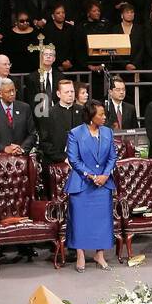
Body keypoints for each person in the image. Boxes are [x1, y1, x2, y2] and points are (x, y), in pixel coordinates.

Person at [64, 99, 117, 272]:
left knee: (102, 220)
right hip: (82, 183)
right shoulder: (75, 133)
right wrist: (91, 175)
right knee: (80, 221)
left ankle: (99, 255)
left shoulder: (108, 132)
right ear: (91, 116)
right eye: (101, 114)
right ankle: (80, 255)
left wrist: (105, 174)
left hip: (103, 183)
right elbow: (74, 159)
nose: (104, 117)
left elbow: (112, 157)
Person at [0, 77, 37, 155]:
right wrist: (5, 148)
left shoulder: (25, 108)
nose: (12, 94)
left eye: (13, 90)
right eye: (8, 91)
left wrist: (22, 149)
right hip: (0, 159)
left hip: (22, 157)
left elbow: (32, 134)